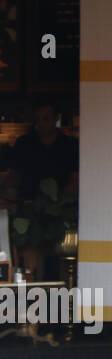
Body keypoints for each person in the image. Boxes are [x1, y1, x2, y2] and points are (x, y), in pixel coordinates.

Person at [8, 102, 78, 281]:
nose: (41, 123)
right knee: (31, 258)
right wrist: (13, 201)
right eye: (37, 119)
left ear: (56, 118)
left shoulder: (69, 145)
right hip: (29, 208)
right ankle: (34, 297)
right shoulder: (24, 144)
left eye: (46, 118)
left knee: (60, 257)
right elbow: (14, 176)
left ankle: (60, 294)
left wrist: (62, 203)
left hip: (61, 210)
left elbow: (75, 178)